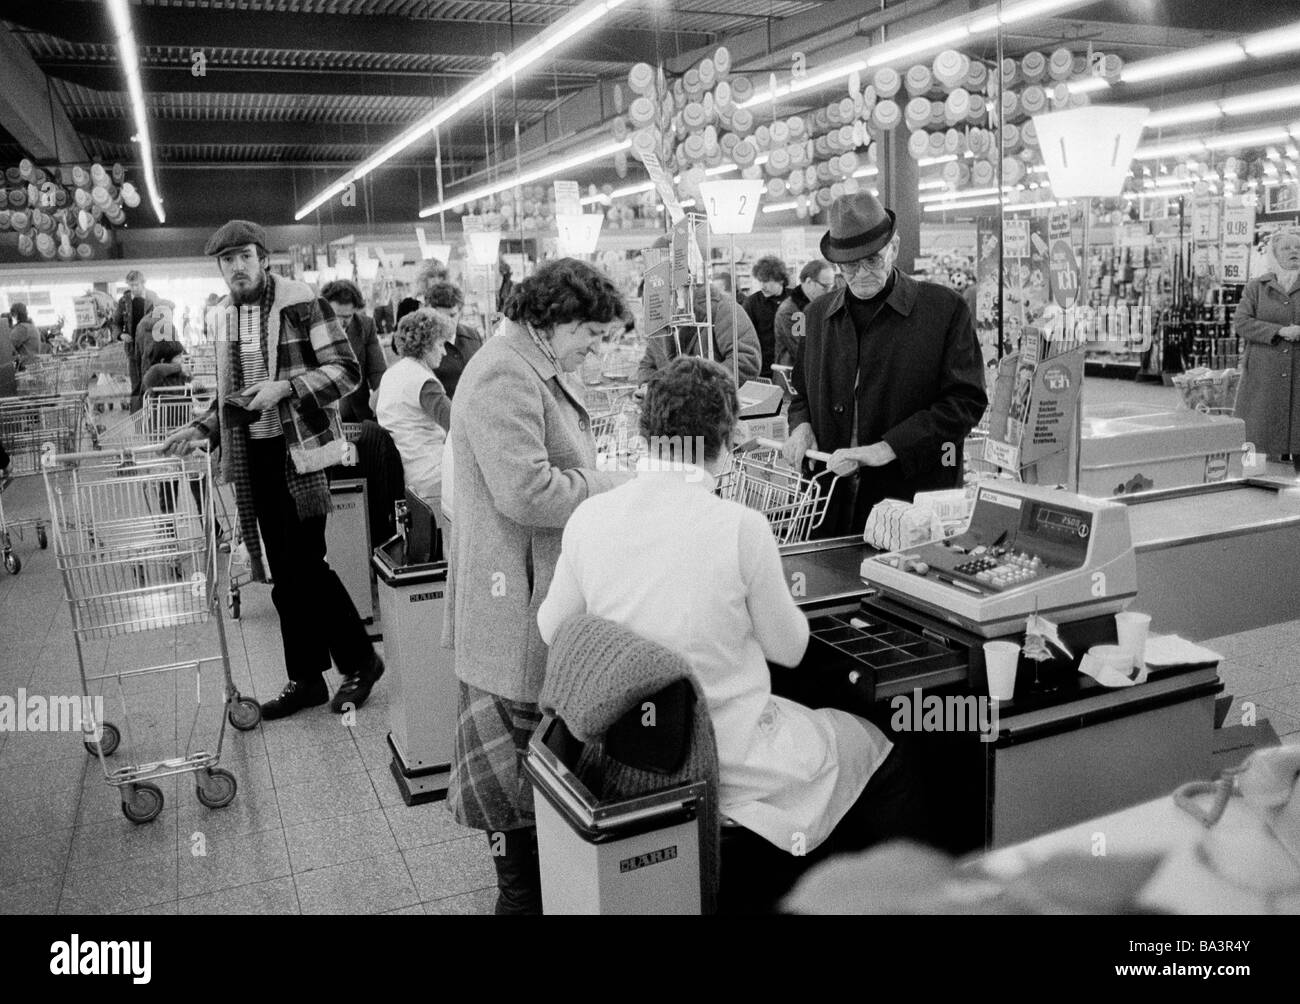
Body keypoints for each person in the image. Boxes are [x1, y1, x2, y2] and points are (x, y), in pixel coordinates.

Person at [538, 356, 919, 912]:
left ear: (648, 432)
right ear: (726, 437)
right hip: (732, 763)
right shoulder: (740, 526)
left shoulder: (590, 518)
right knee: (874, 742)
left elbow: (554, 630)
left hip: (631, 759)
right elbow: (789, 650)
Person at [443, 257, 631, 915]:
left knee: (534, 796)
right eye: (592, 334)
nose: (596, 349)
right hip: (511, 612)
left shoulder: (532, 366)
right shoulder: (504, 372)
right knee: (517, 812)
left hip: (528, 600)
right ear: (554, 321)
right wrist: (614, 483)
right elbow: (526, 492)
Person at [162, 219, 382, 721]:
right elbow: (229, 396)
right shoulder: (223, 318)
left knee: (307, 565)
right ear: (219, 269)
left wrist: (287, 388)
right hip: (253, 455)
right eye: (226, 260)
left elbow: (346, 370)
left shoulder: (302, 302)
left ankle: (361, 660)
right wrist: (205, 429)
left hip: (298, 452)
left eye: (244, 256)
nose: (237, 267)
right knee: (285, 576)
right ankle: (305, 678)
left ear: (263, 258)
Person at [784, 192, 987, 536]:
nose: (861, 274)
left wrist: (888, 447)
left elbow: (965, 402)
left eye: (873, 261)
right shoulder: (817, 316)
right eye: (849, 265)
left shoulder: (944, 310)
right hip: (829, 501)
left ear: (893, 247)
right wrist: (801, 425)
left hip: (909, 502)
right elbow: (801, 394)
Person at [1234, 228, 1300, 472]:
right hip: (1263, 372)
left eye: (1298, 248)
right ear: (1273, 254)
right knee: (1256, 426)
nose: (1294, 252)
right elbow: (1241, 322)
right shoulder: (1256, 288)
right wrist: (1280, 331)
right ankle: (1248, 474)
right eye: (1286, 248)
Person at [375, 308, 453, 504]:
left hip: (406, 471)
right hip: (431, 475)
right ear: (426, 345)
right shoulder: (424, 382)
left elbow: (372, 403)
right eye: (441, 344)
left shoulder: (392, 373)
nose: (444, 351)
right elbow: (457, 425)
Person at [321, 279, 386, 423]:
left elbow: (377, 371)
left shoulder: (366, 326)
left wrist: (379, 395)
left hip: (359, 413)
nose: (341, 322)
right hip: (324, 415)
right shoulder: (314, 328)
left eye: (347, 317)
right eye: (336, 315)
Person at [424, 280, 483, 399]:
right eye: (442, 316)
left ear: (460, 312)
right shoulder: (425, 343)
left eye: (452, 315)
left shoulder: (473, 336)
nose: (448, 321)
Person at [774, 259, 834, 369]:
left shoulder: (820, 306)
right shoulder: (791, 311)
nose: (829, 292)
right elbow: (801, 349)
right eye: (825, 287)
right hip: (794, 376)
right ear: (809, 282)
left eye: (831, 287)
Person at [743, 255, 791, 377]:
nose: (762, 286)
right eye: (760, 281)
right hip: (763, 368)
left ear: (780, 279)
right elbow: (746, 337)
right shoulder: (752, 303)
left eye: (767, 281)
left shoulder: (794, 299)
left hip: (790, 366)